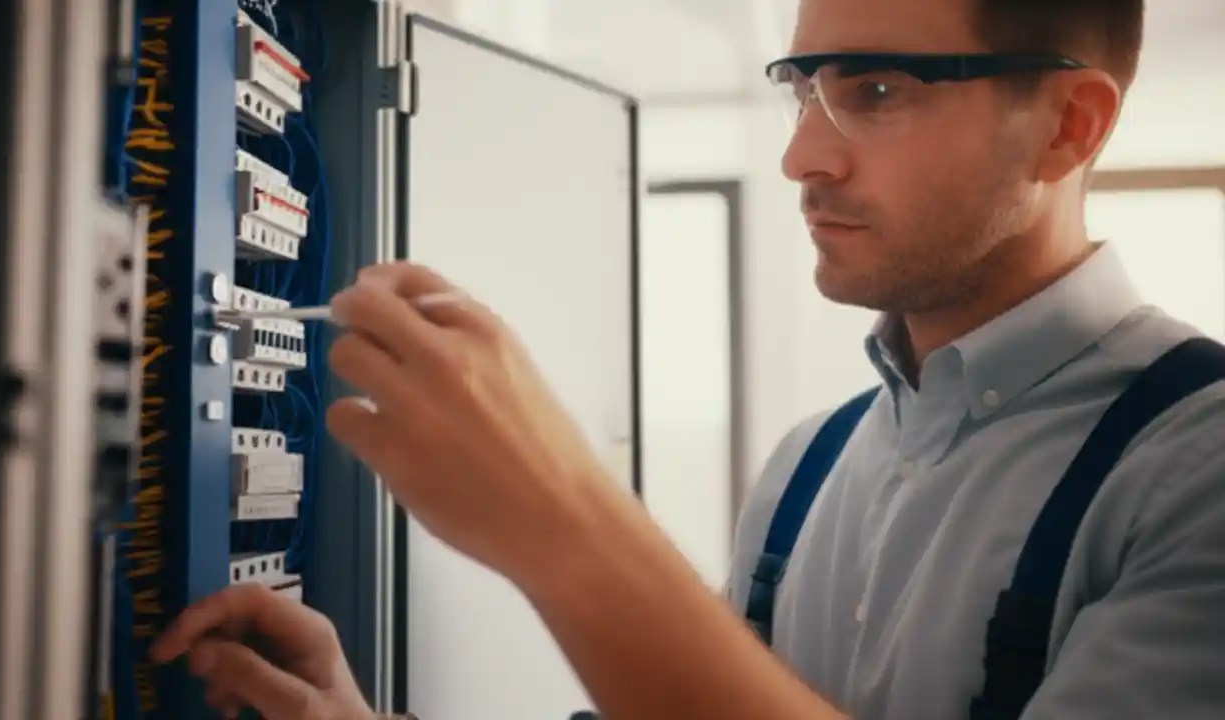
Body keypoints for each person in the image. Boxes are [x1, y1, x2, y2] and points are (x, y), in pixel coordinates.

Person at [150, 0, 1225, 717]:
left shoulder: (1195, 471)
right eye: (802, 88)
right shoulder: (810, 463)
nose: (801, 156)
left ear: (1067, 126)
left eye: (878, 91)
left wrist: (563, 521)